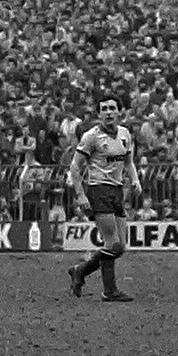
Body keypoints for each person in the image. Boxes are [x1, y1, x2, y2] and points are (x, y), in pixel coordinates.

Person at [66, 98, 142, 303]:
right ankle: (108, 290)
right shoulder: (91, 137)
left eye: (112, 109)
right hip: (99, 190)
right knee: (113, 244)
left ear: (119, 112)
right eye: (104, 109)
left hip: (117, 191)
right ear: (99, 114)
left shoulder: (125, 134)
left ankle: (80, 271)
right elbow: (75, 167)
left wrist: (134, 179)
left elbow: (128, 162)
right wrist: (81, 196)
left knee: (120, 247)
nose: (108, 112)